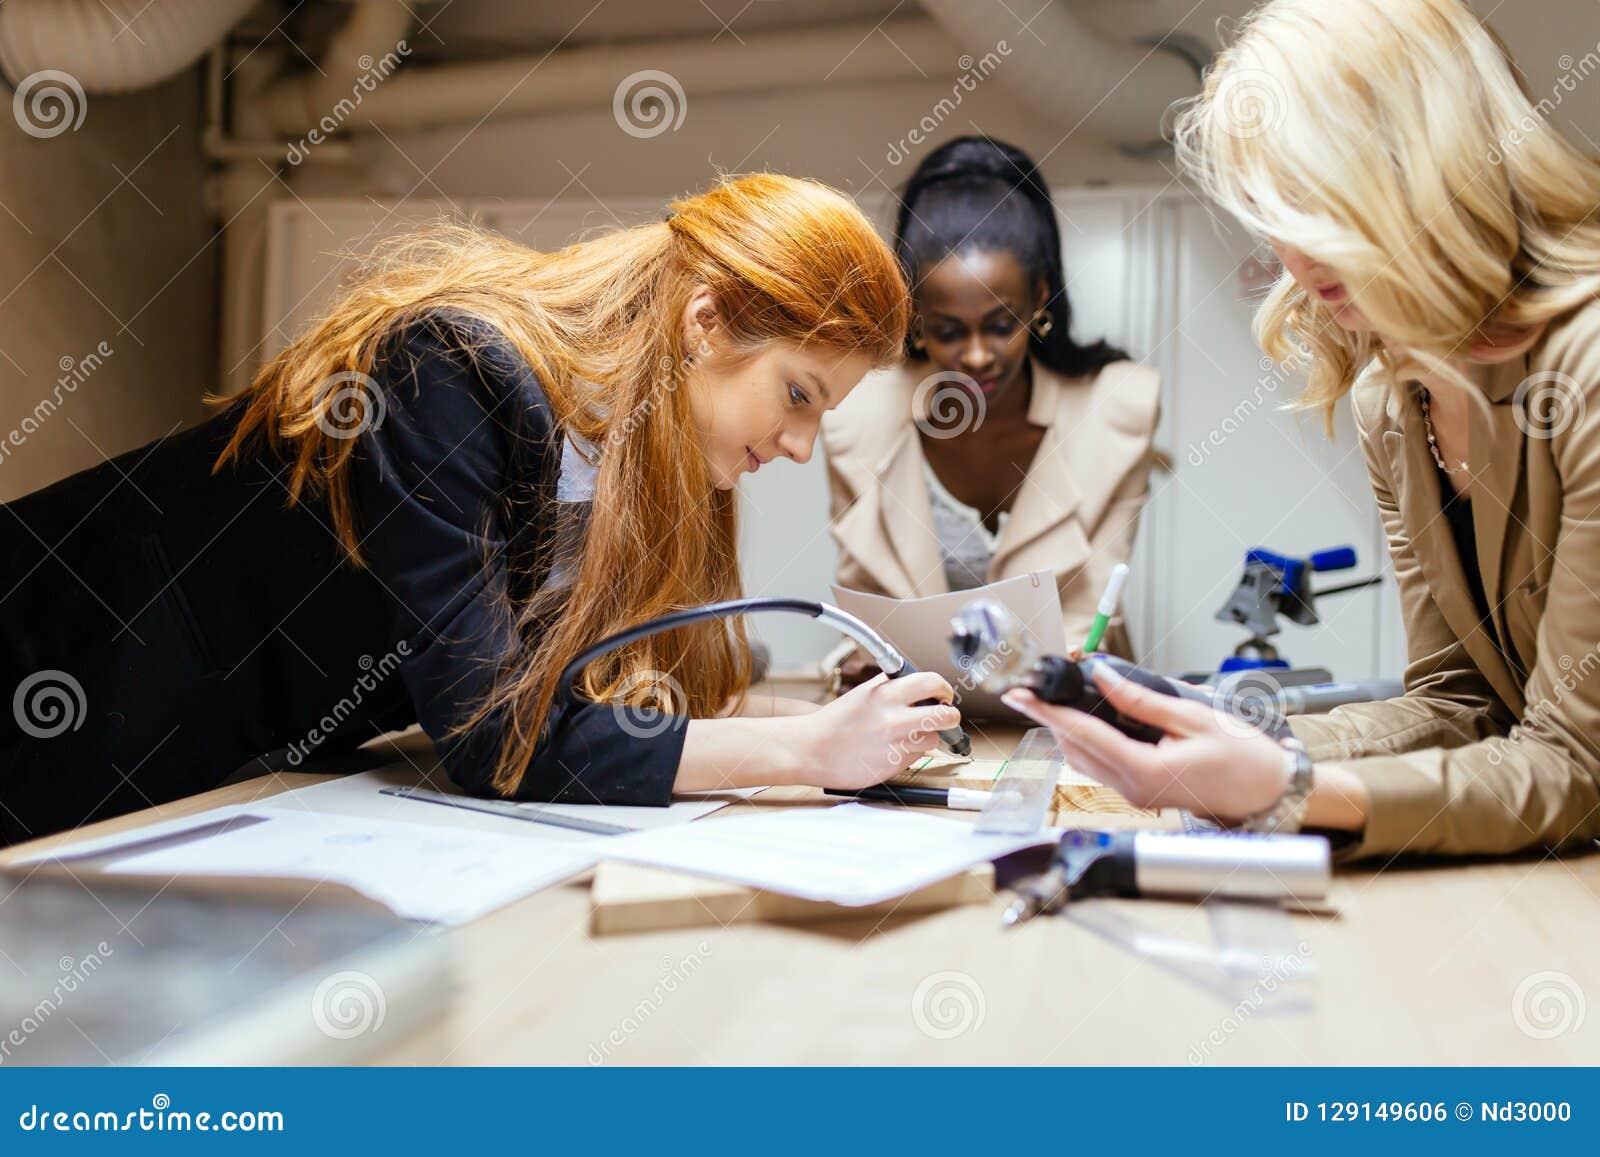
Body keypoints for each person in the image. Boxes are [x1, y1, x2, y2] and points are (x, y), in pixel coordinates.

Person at [0, 173, 961, 845]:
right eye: (798, 394)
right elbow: (495, 736)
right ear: (704, 322)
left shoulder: (637, 457)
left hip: (200, 719)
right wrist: (806, 749)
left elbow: (587, 682)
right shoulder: (450, 370)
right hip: (60, 648)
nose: (800, 446)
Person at [1006, 0, 1600, 859]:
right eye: (1267, 206)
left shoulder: (1583, 369)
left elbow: (1575, 764)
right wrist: (1210, 734)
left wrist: (1289, 786)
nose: (1290, 251)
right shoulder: (1394, 399)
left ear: (1426, 164)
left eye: (1313, 197)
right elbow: (1459, 704)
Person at [822, 136, 1160, 680]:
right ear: (914, 316)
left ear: (1040, 300)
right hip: (919, 726)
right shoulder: (856, 418)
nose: (977, 356)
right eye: (950, 331)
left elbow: (1088, 614)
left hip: (1063, 718)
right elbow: (866, 618)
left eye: (1002, 325)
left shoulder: (1117, 410)